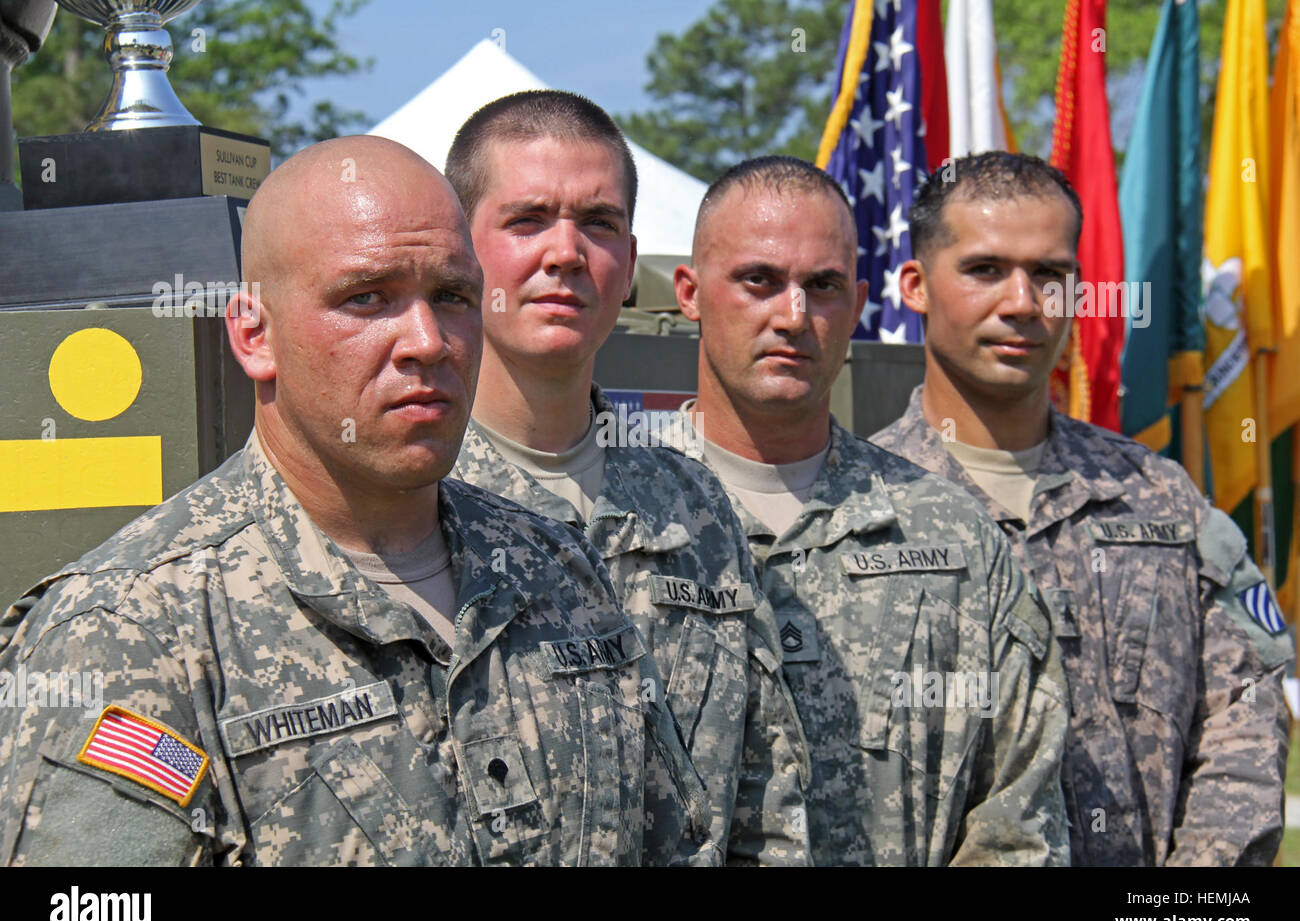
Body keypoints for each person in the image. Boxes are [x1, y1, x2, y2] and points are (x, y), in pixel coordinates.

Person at [0, 135, 716, 866]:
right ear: (254, 332)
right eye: (366, 297)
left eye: (453, 296)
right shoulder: (137, 632)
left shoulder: (559, 568)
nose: (428, 341)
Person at [871, 150, 1294, 866]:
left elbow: (1245, 705)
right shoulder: (857, 512)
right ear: (915, 285)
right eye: (984, 270)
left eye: (1050, 275)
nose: (1022, 303)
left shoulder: (1158, 494)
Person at [657, 154, 1071, 865]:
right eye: (759, 281)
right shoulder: (609, 529)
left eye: (821, 287)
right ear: (690, 293)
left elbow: (1018, 824)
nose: (793, 316)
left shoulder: (954, 540)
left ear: (856, 301)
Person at [444, 91, 810, 864]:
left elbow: (766, 800)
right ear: (459, 248)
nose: (567, 253)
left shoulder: (693, 504)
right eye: (528, 219)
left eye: (599, 223)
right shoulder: (412, 503)